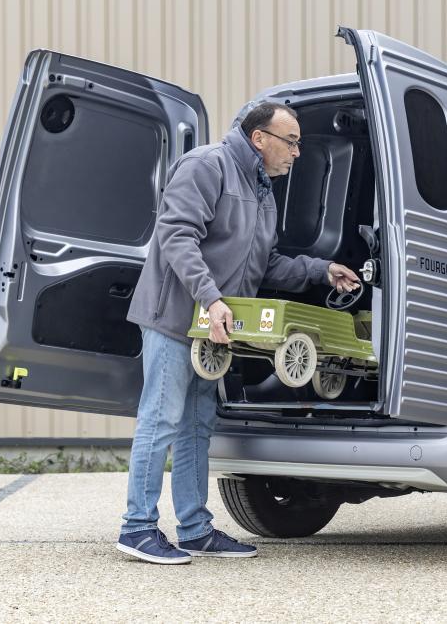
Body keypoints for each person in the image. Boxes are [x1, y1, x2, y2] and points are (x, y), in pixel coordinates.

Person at [117, 102, 360, 563]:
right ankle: (137, 528)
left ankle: (193, 529)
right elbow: (176, 236)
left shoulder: (262, 189)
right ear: (259, 138)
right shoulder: (206, 166)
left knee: (196, 425)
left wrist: (320, 269)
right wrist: (211, 299)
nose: (296, 153)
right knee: (162, 418)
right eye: (291, 142)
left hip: (213, 330)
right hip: (175, 317)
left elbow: (264, 264)